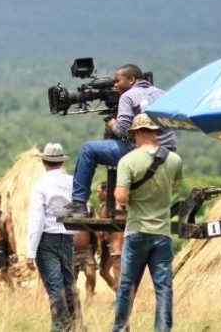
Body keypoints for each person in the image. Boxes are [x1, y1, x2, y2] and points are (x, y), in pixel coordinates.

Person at [56, 64, 177, 218]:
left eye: (117, 81)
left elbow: (122, 130)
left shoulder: (128, 96)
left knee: (88, 150)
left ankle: (79, 203)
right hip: (167, 152)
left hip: (141, 152)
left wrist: (113, 124)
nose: (115, 85)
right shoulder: (162, 93)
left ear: (132, 79)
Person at [112, 114, 182, 332]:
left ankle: (121, 329)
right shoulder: (174, 160)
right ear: (155, 132)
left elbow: (121, 198)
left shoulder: (128, 161)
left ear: (137, 132)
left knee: (127, 286)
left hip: (137, 232)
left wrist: (126, 195)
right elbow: (174, 187)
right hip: (162, 233)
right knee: (163, 288)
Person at [26, 143, 80, 332]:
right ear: (61, 161)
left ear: (43, 161)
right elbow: (82, 207)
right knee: (69, 284)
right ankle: (76, 325)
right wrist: (62, 213)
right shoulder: (73, 181)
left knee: (55, 287)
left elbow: (37, 219)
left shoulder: (40, 185)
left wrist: (31, 251)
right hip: (67, 237)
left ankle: (60, 327)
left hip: (47, 239)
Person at [96, 182, 122, 291]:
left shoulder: (116, 207)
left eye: (98, 192)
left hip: (116, 242)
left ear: (105, 191)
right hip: (107, 242)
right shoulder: (103, 206)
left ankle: (121, 299)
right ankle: (119, 294)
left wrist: (118, 246)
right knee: (103, 271)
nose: (97, 194)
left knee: (117, 269)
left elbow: (120, 227)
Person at [73, 203, 97, 304]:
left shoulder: (89, 207)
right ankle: (73, 298)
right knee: (72, 275)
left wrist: (98, 244)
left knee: (90, 273)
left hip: (86, 248)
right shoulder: (67, 206)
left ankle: (89, 295)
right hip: (71, 248)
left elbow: (95, 227)